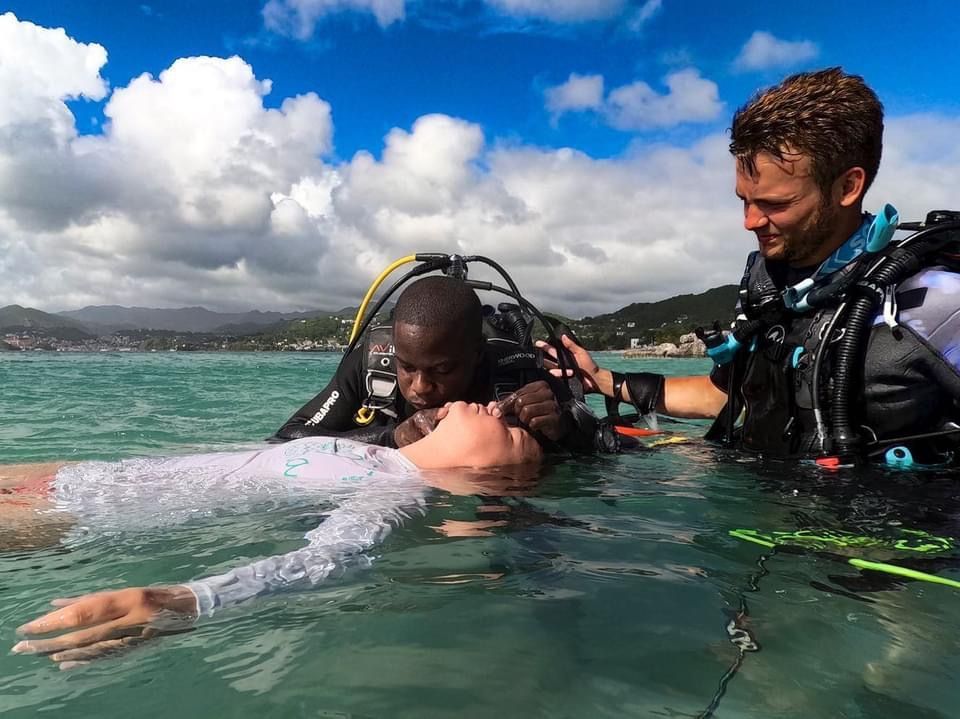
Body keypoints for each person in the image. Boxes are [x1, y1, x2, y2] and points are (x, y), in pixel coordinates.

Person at [541, 67, 960, 464]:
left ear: (848, 187)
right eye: (744, 200)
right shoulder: (769, 285)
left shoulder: (936, 306)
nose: (750, 222)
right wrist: (602, 378)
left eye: (776, 204)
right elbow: (723, 396)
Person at [6, 401, 542, 668]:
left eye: (513, 431)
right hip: (81, 474)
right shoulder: (378, 451)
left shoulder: (396, 492)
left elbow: (330, 559)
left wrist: (183, 600)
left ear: (489, 471)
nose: (500, 408)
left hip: (82, 510)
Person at [275, 275, 591, 450]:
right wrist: (391, 437)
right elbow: (287, 436)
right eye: (407, 367)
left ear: (478, 354)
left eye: (442, 370)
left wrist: (561, 427)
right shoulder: (374, 361)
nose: (420, 387)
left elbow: (600, 444)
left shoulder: (516, 372)